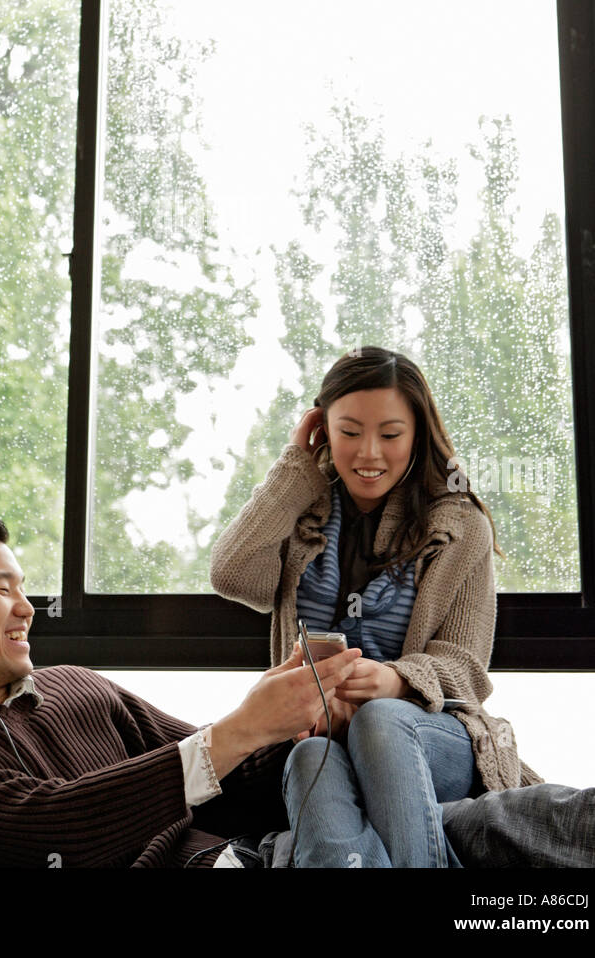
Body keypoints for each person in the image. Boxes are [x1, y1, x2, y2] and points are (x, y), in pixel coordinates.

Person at [0, 505, 359, 868]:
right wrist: (242, 728)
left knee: (435, 812)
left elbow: (221, 782)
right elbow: (52, 833)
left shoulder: (78, 687)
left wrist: (296, 723)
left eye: (24, 588)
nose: (27, 608)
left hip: (271, 854)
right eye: (3, 589)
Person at [210, 345, 545, 868]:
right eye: (348, 432)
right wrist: (295, 469)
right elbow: (232, 574)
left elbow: (466, 669)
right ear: (321, 428)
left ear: (417, 432)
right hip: (324, 737)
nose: (369, 453)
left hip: (433, 740)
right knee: (307, 758)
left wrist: (393, 682)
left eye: (390, 434)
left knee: (380, 722)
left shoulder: (459, 526)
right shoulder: (301, 518)